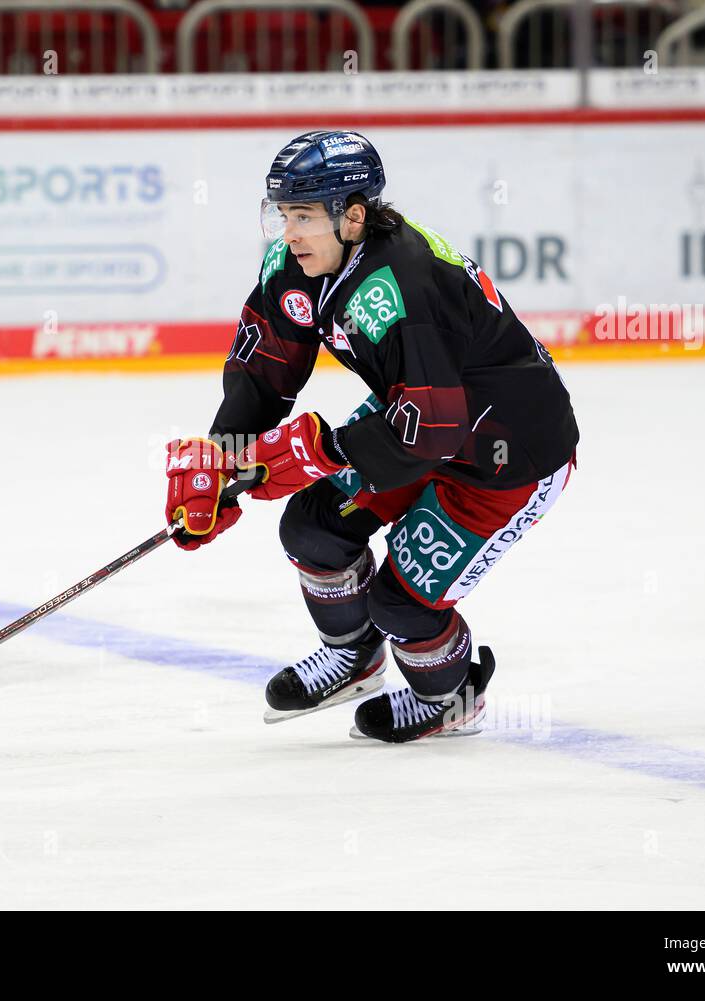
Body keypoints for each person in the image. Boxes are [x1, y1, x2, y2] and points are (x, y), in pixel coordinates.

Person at [165, 130, 579, 742]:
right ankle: (354, 659)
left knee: (401, 603)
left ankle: (453, 695)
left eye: (303, 216)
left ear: (353, 216)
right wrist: (222, 459)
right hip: (415, 417)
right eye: (283, 213)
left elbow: (434, 432)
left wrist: (319, 452)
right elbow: (263, 371)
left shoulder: (403, 285)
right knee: (313, 526)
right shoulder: (296, 265)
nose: (289, 232)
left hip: (506, 457)